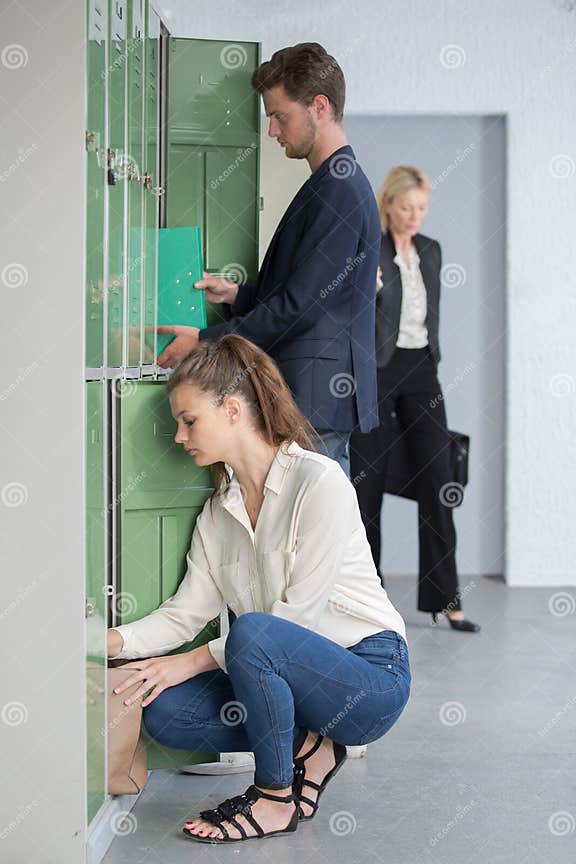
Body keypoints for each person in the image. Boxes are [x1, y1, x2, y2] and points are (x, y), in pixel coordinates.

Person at [108, 334, 410, 844]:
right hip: (286, 680)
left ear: (230, 410)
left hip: (368, 676)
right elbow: (184, 614)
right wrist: (103, 641)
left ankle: (273, 797)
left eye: (189, 420)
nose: (180, 438)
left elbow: (297, 620)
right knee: (162, 708)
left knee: (253, 631)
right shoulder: (217, 513)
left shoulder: (319, 482)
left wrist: (189, 661)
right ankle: (310, 748)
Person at [156, 43, 381, 476]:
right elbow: (306, 292)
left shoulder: (339, 189)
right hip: (314, 395)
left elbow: (298, 307)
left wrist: (204, 338)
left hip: (318, 397)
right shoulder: (331, 183)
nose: (273, 131)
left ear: (319, 106)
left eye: (280, 116)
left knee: (314, 536)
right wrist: (239, 293)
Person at [349, 166, 480, 633]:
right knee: (367, 483)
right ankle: (370, 600)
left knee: (439, 481)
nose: (414, 216)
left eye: (421, 208)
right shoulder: (372, 250)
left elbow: (431, 313)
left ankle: (447, 599)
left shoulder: (431, 251)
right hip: (379, 370)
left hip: (422, 369)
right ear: (388, 204)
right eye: (406, 207)